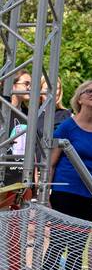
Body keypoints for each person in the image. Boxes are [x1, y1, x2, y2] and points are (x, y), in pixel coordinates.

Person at [43, 80, 92, 270]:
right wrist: (45, 196)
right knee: (58, 243)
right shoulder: (67, 127)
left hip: (90, 195)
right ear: (79, 98)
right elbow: (51, 163)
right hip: (64, 192)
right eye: (89, 91)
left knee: (78, 246)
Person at [1, 71, 32, 208]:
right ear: (12, 86)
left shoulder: (28, 114)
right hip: (3, 174)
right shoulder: (2, 111)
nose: (30, 88)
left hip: (20, 175)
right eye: (26, 83)